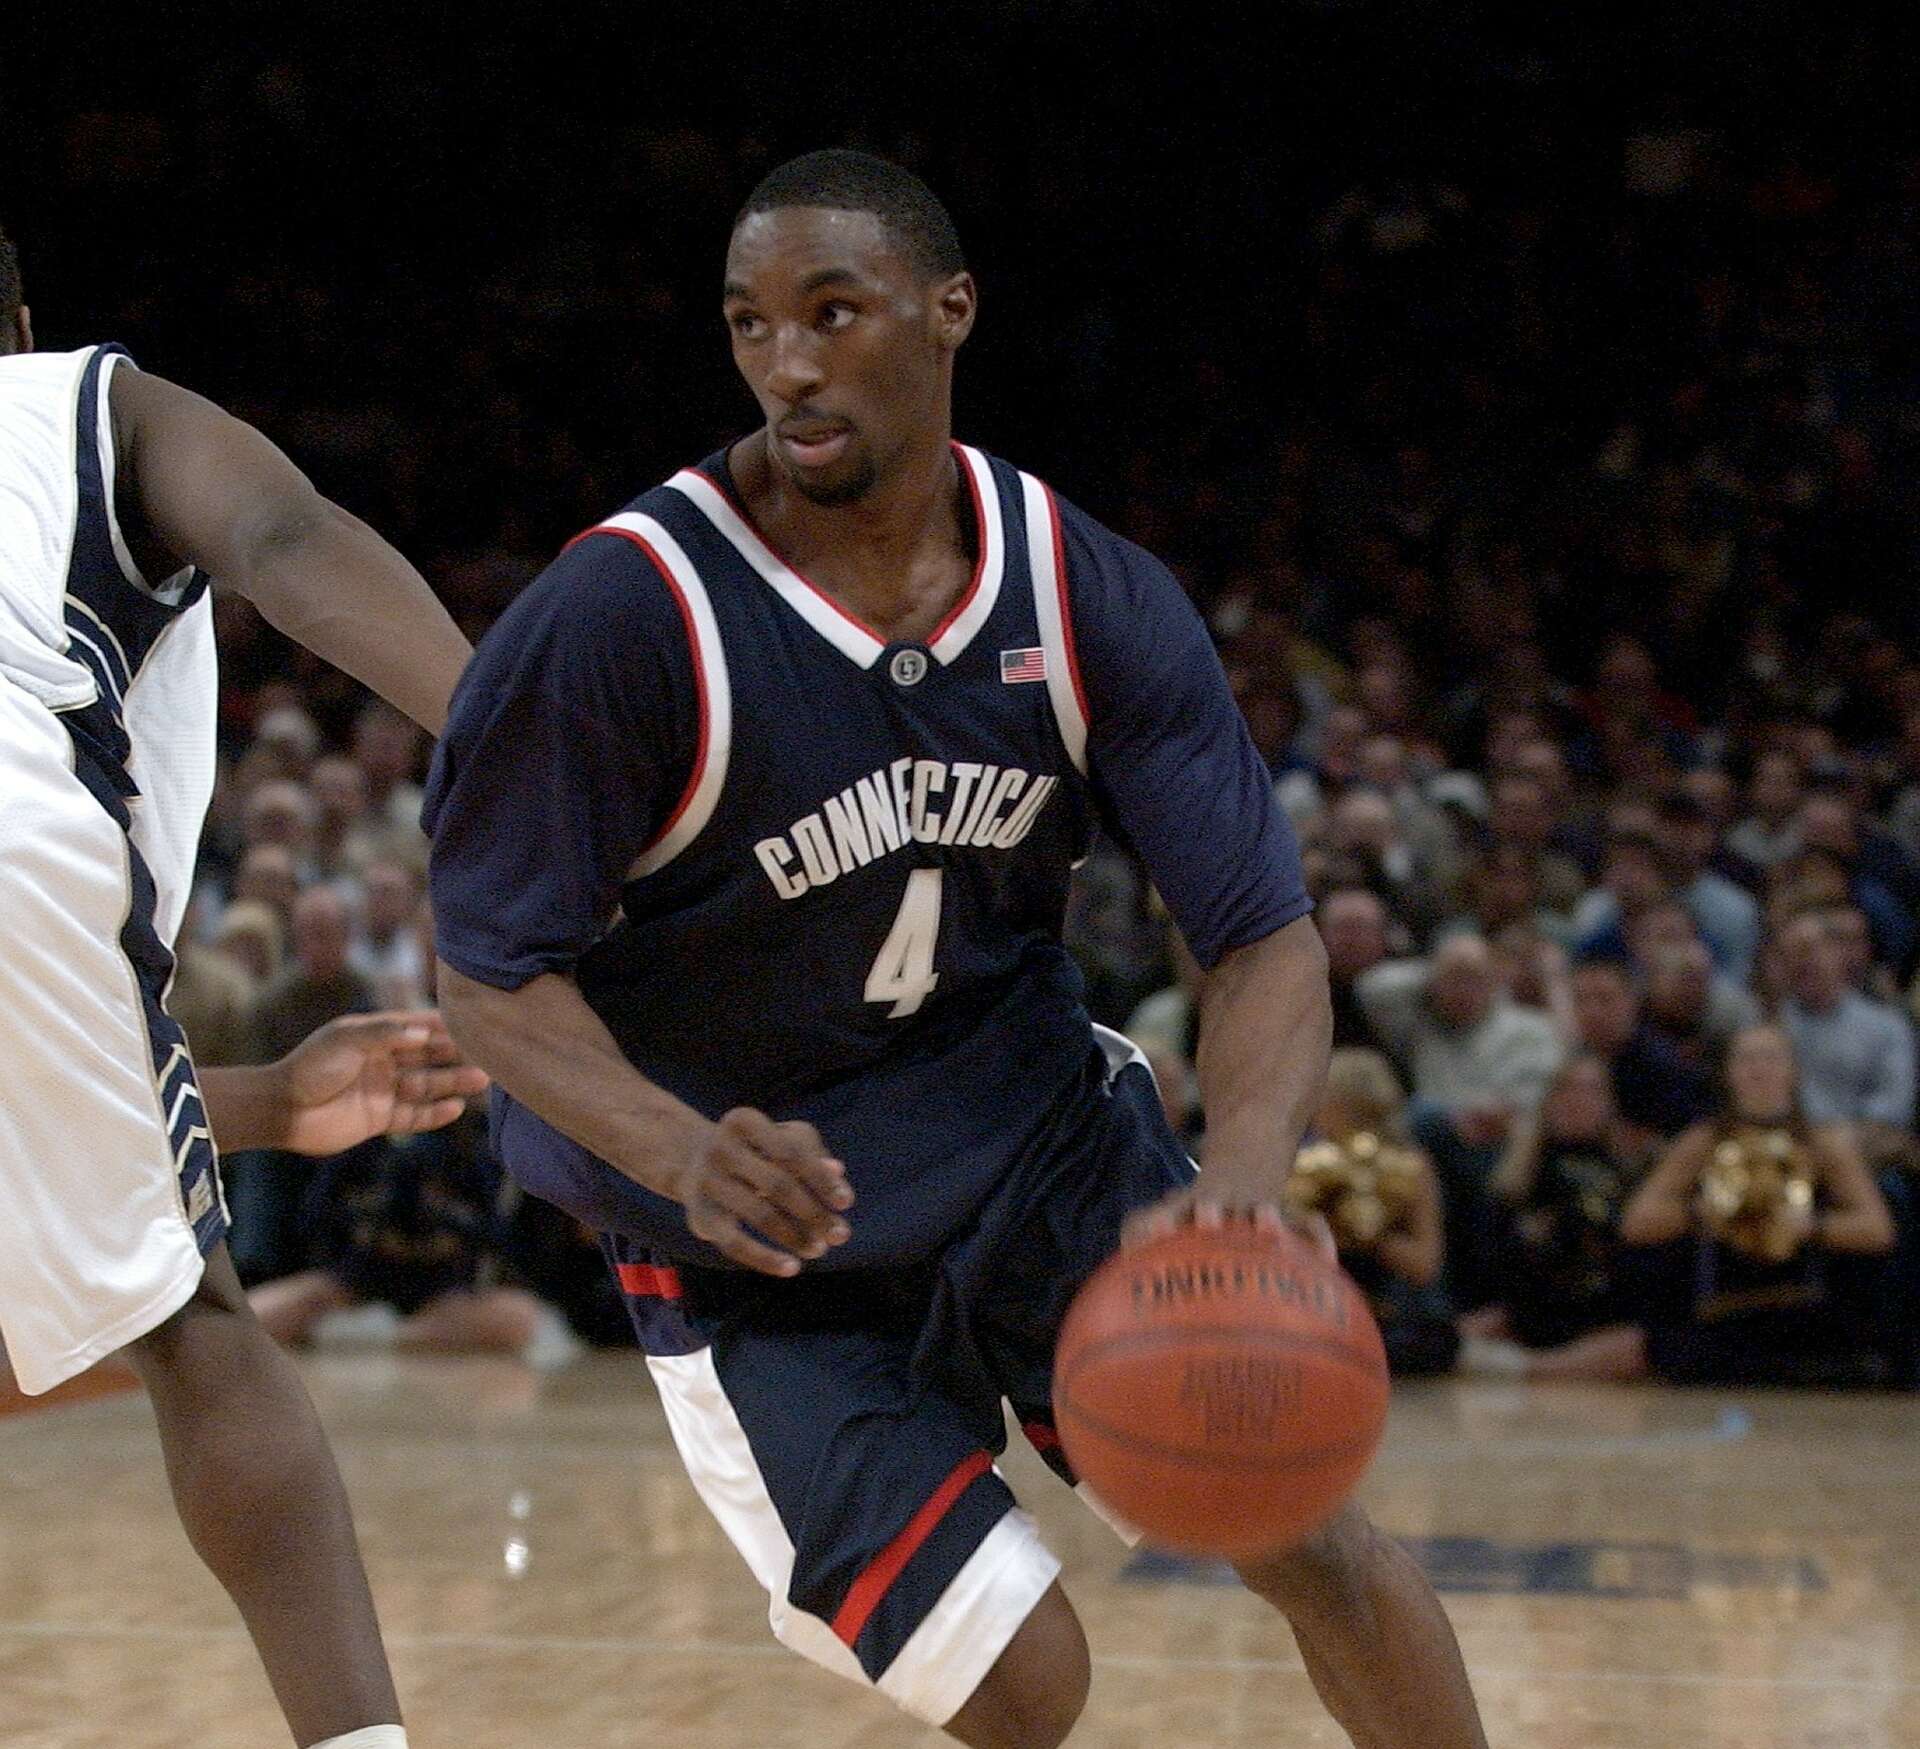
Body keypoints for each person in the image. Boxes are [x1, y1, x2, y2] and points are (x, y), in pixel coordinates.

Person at [427, 152, 1487, 1749]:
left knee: (1297, 1519)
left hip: (1026, 1133)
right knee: (1022, 1672)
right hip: (755, 1231)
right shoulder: (627, 613)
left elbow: (1263, 936)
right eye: (751, 325)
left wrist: (1244, 1187)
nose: (788, 365)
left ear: (948, 310)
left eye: (831, 314)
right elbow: (488, 978)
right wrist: (683, 1148)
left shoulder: (1078, 588)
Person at [0, 225, 476, 1749]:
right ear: (19, 317)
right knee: (196, 1326)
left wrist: (257, 1101)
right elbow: (280, 540)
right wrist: (523, 745)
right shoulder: (84, 405)